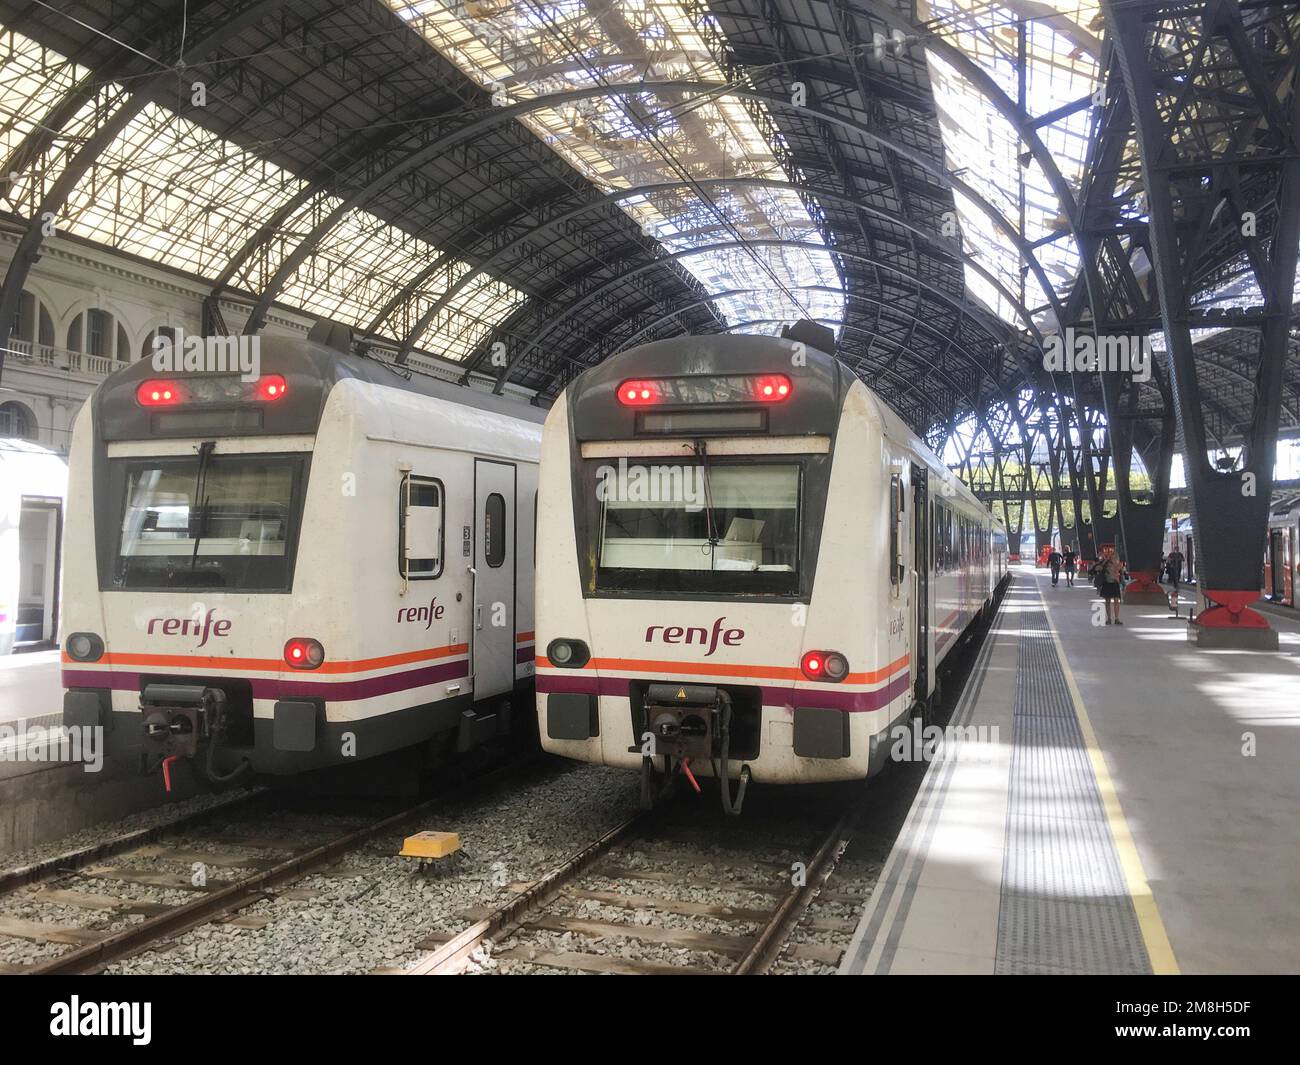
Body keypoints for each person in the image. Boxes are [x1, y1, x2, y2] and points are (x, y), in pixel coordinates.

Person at [1098, 546, 1125, 625]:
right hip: (1107, 583)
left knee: (1116, 601)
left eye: (1115, 556)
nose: (1113, 557)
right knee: (1107, 601)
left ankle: (1116, 618)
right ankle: (1109, 618)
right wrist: (1106, 560)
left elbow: (1121, 571)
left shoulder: (1119, 564)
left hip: (1115, 583)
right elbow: (1099, 567)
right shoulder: (1106, 563)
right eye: (1112, 556)